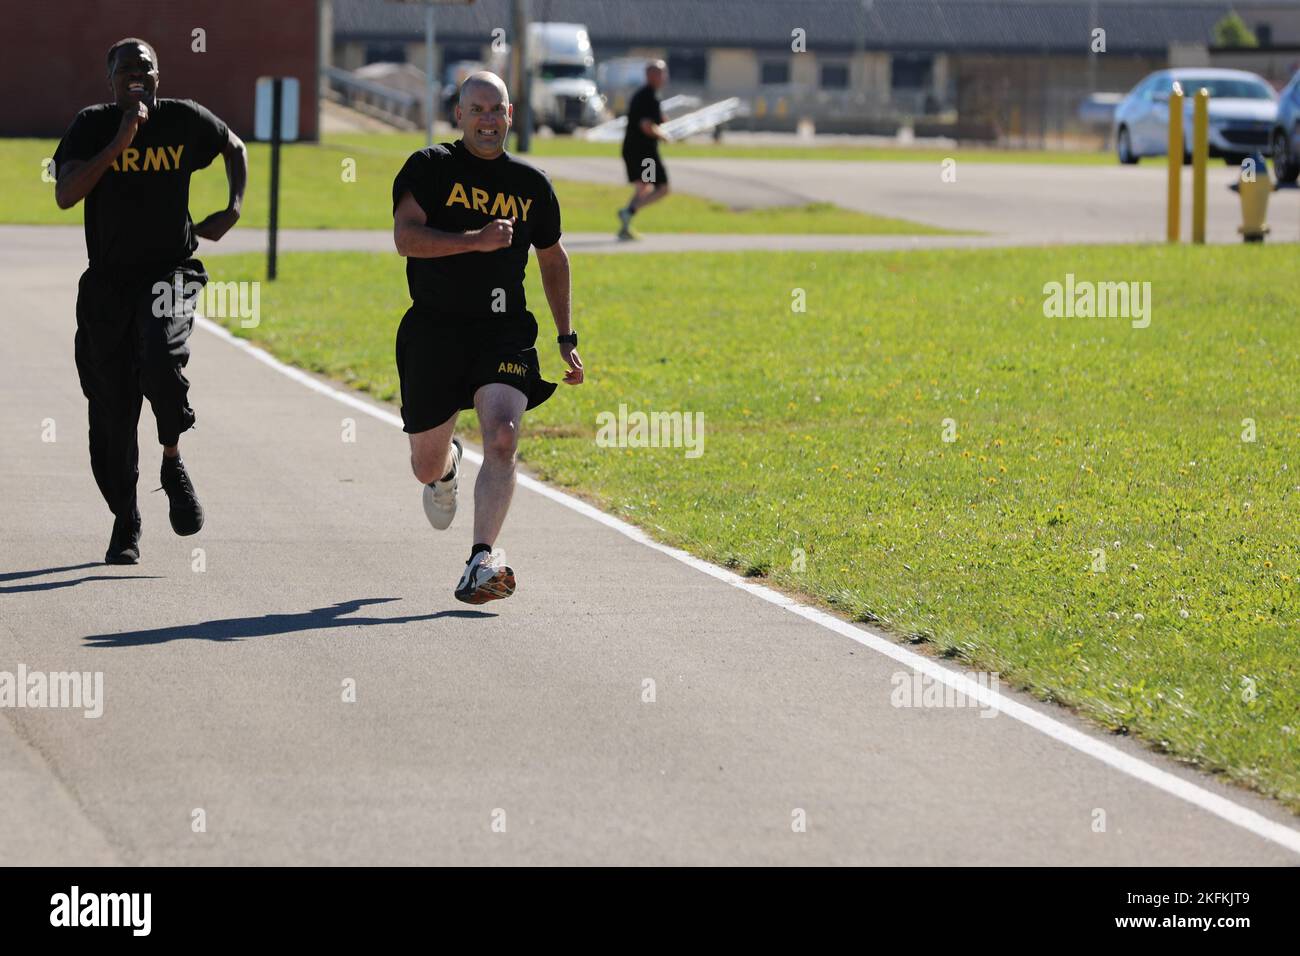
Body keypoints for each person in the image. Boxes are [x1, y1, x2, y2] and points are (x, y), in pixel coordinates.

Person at [392, 72, 584, 605]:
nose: (487, 120)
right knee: (424, 466)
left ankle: (480, 560)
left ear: (510, 114)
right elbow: (406, 239)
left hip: (503, 332)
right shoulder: (428, 168)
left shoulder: (531, 184)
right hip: (434, 330)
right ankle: (447, 468)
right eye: (477, 110)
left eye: (496, 110)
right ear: (459, 114)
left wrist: (566, 336)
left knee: (502, 436)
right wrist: (474, 241)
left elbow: (552, 258)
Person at [53, 37, 247, 565]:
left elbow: (235, 147)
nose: (136, 76)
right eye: (125, 69)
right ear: (109, 79)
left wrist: (232, 208)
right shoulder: (91, 125)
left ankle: (171, 459)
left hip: (169, 272)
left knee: (160, 359)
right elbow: (66, 193)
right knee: (111, 413)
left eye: (146, 68)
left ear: (159, 76)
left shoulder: (184, 120)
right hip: (108, 284)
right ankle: (126, 519)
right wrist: (121, 139)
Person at [617, 61, 672, 240]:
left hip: (635, 150)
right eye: (661, 73)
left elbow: (647, 119)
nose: (664, 77)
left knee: (644, 186)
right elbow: (646, 125)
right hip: (644, 153)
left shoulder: (644, 95)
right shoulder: (649, 96)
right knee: (662, 188)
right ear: (652, 75)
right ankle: (629, 211)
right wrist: (663, 136)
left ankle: (626, 223)